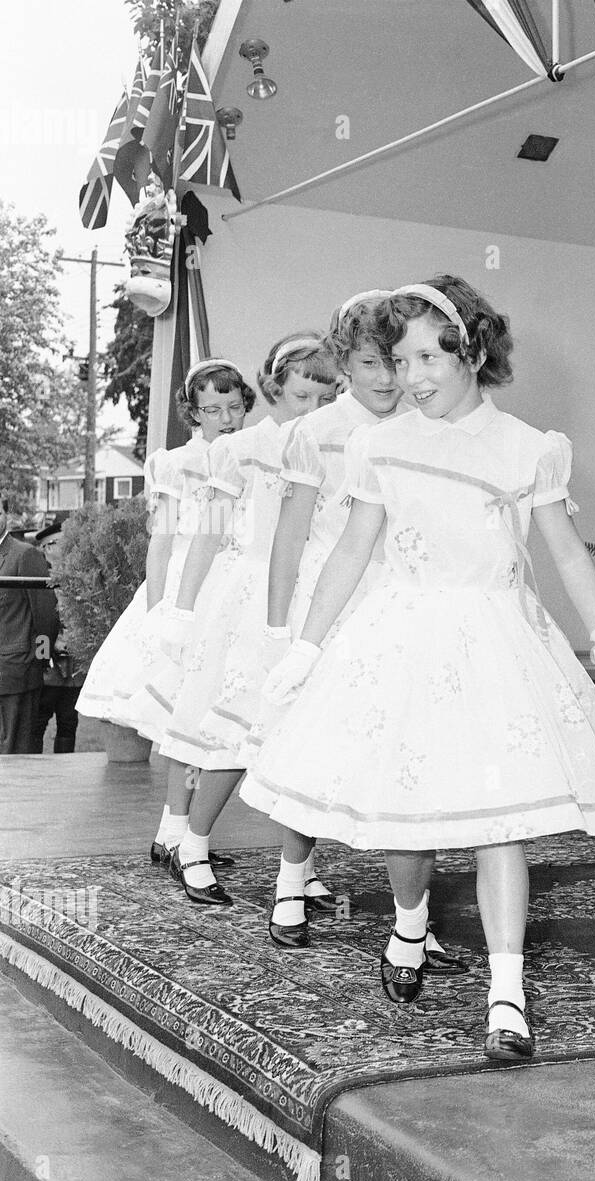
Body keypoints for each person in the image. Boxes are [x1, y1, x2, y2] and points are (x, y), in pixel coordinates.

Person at [239, 276, 595, 1063]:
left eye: (429, 356)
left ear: (473, 352)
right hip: (401, 635)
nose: (411, 376)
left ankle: (506, 995)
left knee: (500, 826)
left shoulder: (527, 447)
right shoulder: (378, 444)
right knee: (404, 802)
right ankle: (410, 925)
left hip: (498, 642)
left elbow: (561, 550)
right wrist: (306, 647)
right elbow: (352, 550)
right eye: (401, 358)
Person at [224, 292, 405, 947]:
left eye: (395, 361)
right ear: (344, 367)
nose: (386, 377)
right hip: (327, 611)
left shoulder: (418, 427)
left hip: (399, 611)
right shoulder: (316, 433)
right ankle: (290, 882)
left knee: (396, 757)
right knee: (311, 752)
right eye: (369, 363)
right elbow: (290, 538)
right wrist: (280, 630)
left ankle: (410, 921)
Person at [156, 336, 338, 908]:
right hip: (247, 595)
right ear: (274, 388)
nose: (311, 408)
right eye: (301, 395)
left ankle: (300, 866)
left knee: (299, 738)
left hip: (310, 593)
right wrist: (180, 609)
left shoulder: (333, 444)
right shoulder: (237, 450)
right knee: (233, 730)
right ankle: (192, 841)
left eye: (324, 396)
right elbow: (206, 532)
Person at [119, 359, 255, 870]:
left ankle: (173, 833)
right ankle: (175, 830)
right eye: (212, 410)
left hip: (233, 589)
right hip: (189, 588)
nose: (226, 418)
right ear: (192, 414)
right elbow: (164, 543)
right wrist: (161, 612)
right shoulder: (178, 463)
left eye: (234, 407)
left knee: (211, 714)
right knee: (185, 712)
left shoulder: (248, 457)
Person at [0, 496, 57, 754]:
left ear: (5, 515)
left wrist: (39, 661)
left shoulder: (25, 555)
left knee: (16, 755)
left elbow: (46, 615)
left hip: (17, 673)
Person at [33, 522, 84, 752]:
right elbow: (36, 623)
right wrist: (43, 658)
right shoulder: (35, 577)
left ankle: (64, 774)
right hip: (48, 666)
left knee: (68, 722)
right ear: (47, 547)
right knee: (38, 722)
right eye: (60, 542)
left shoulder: (78, 575)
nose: (67, 547)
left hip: (74, 666)